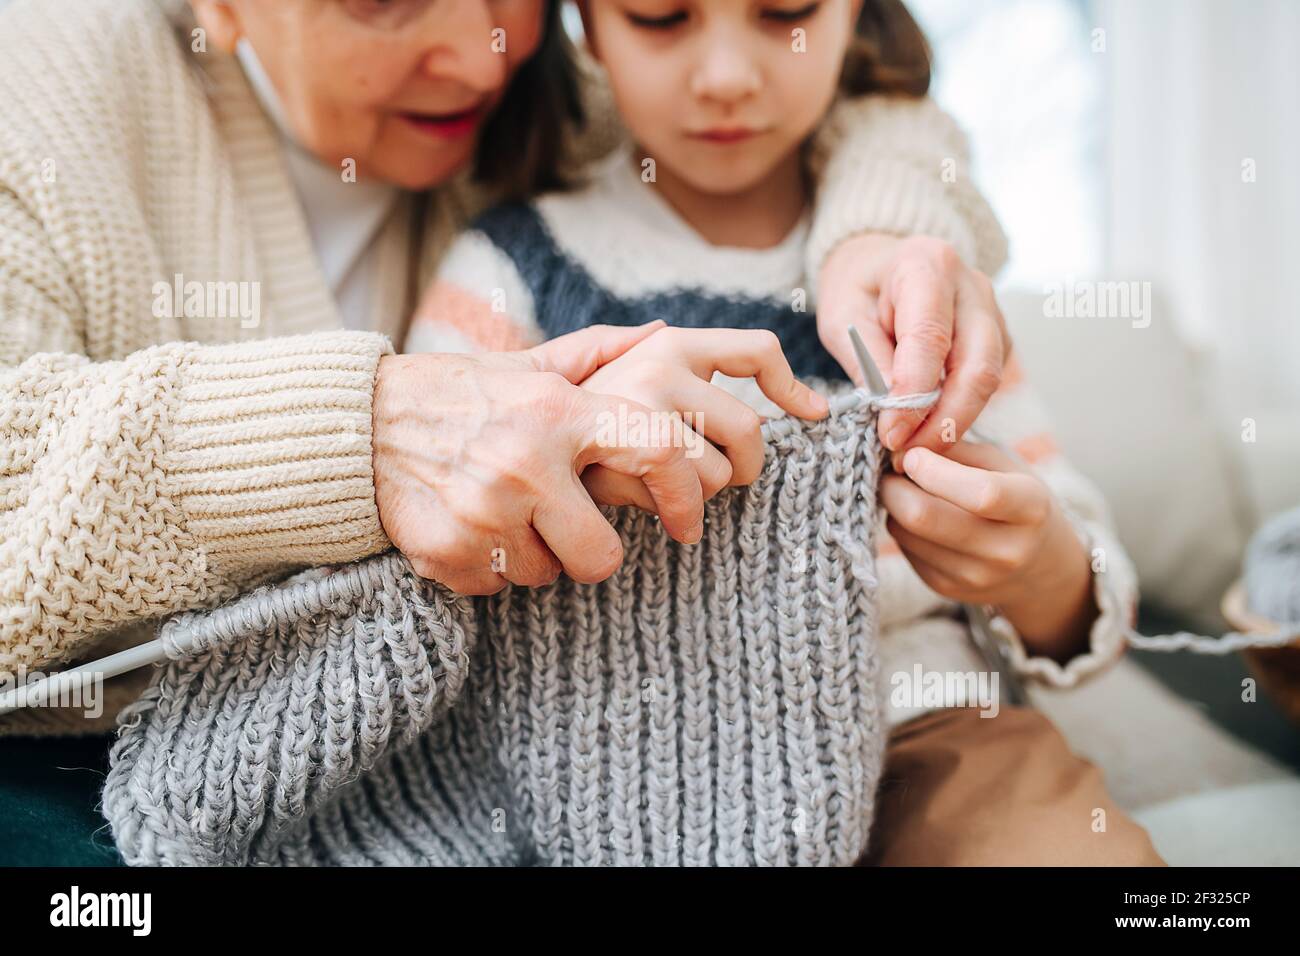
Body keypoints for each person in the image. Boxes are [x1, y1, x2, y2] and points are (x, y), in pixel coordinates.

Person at [0, 0, 1010, 732]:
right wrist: (366, 434)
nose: (478, 59)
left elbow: (834, 107)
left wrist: (880, 223)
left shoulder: (555, 108)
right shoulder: (38, 88)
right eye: (384, 1)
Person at [406, 0, 1164, 865]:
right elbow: (436, 536)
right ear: (587, 24)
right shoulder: (514, 263)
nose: (727, 75)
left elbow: (1088, 585)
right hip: (620, 749)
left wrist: (1041, 569)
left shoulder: (921, 270)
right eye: (660, 17)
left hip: (923, 720)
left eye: (786, 12)